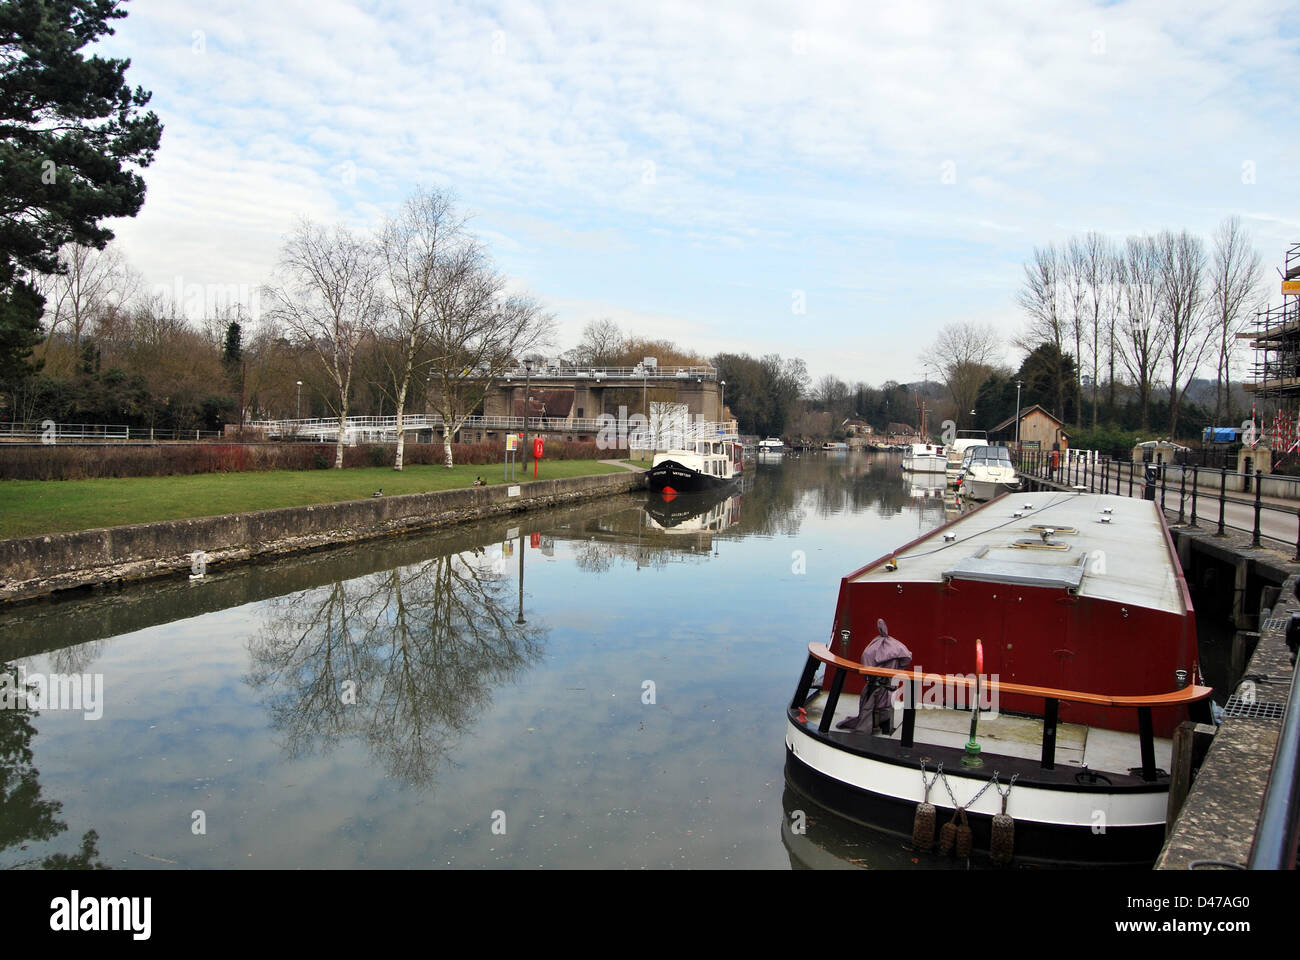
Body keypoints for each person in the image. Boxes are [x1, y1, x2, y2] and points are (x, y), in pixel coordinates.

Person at [837, 619, 912, 735]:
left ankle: (866, 729)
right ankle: (879, 723)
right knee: (879, 703)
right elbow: (906, 658)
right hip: (889, 693)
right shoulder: (897, 648)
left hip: (875, 689)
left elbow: (866, 662)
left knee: (870, 705)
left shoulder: (872, 649)